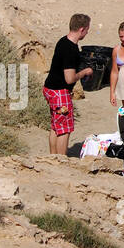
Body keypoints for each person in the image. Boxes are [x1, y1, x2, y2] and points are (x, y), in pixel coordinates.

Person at [44, 14, 94, 156]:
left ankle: (53, 157)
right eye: (87, 29)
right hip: (60, 92)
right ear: (82, 29)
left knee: (56, 126)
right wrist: (85, 72)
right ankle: (61, 160)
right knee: (65, 128)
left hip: (50, 88)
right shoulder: (71, 49)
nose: (87, 32)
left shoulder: (62, 41)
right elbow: (70, 79)